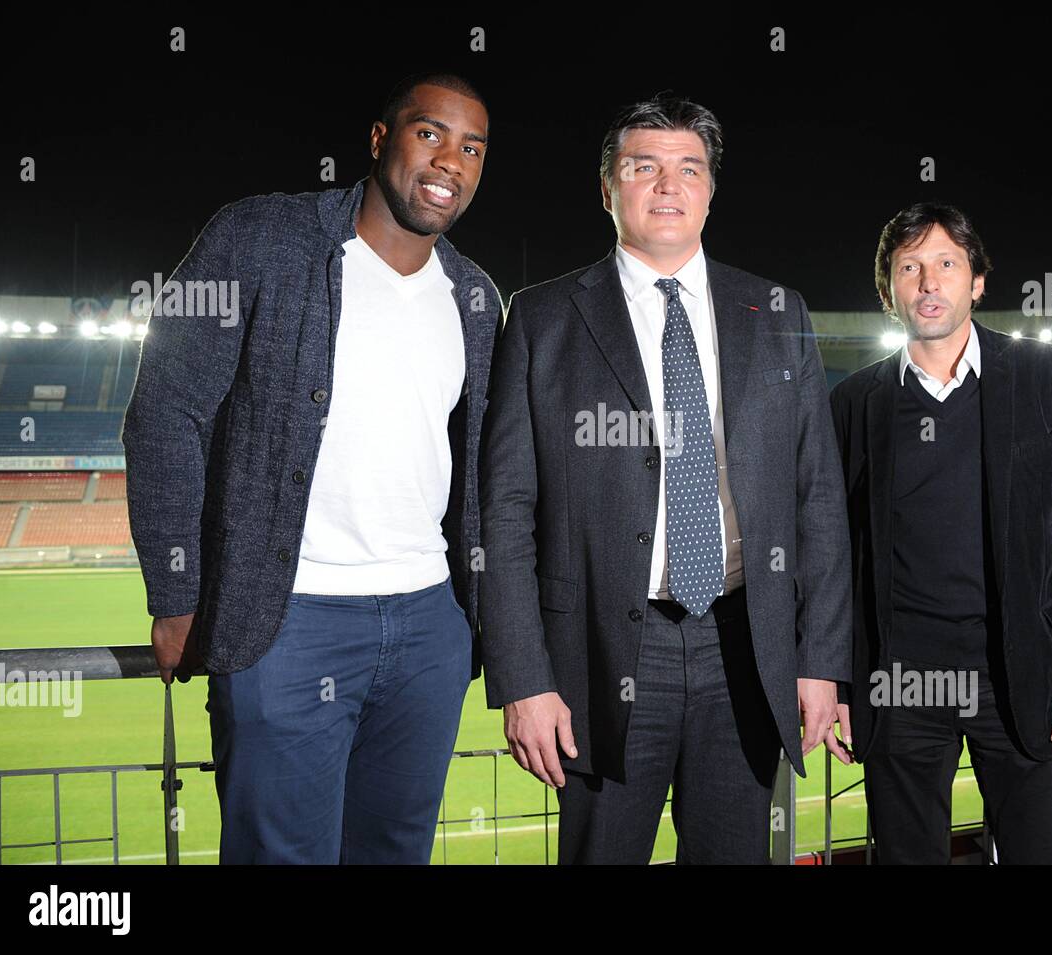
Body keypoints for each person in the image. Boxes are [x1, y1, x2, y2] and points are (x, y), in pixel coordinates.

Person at [122, 72, 499, 864]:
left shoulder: (473, 297)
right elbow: (166, 409)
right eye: (430, 134)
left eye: (472, 147)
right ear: (378, 139)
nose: (450, 162)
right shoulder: (261, 237)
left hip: (431, 625)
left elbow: (484, 475)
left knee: (394, 852)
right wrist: (177, 593)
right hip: (288, 623)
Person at [478, 94, 852, 864]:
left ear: (712, 189)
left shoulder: (778, 310)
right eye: (643, 167)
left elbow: (819, 498)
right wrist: (522, 677)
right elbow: (506, 512)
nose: (668, 185)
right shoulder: (543, 318)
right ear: (608, 187)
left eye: (689, 168)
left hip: (745, 647)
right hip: (606, 654)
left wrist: (820, 659)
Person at [829, 202, 1052, 864]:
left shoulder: (1045, 375)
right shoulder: (853, 402)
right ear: (888, 290)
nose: (929, 282)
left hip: (1024, 680)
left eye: (946, 264)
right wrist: (838, 680)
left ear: (977, 280)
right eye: (910, 267)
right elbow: (833, 556)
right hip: (896, 687)